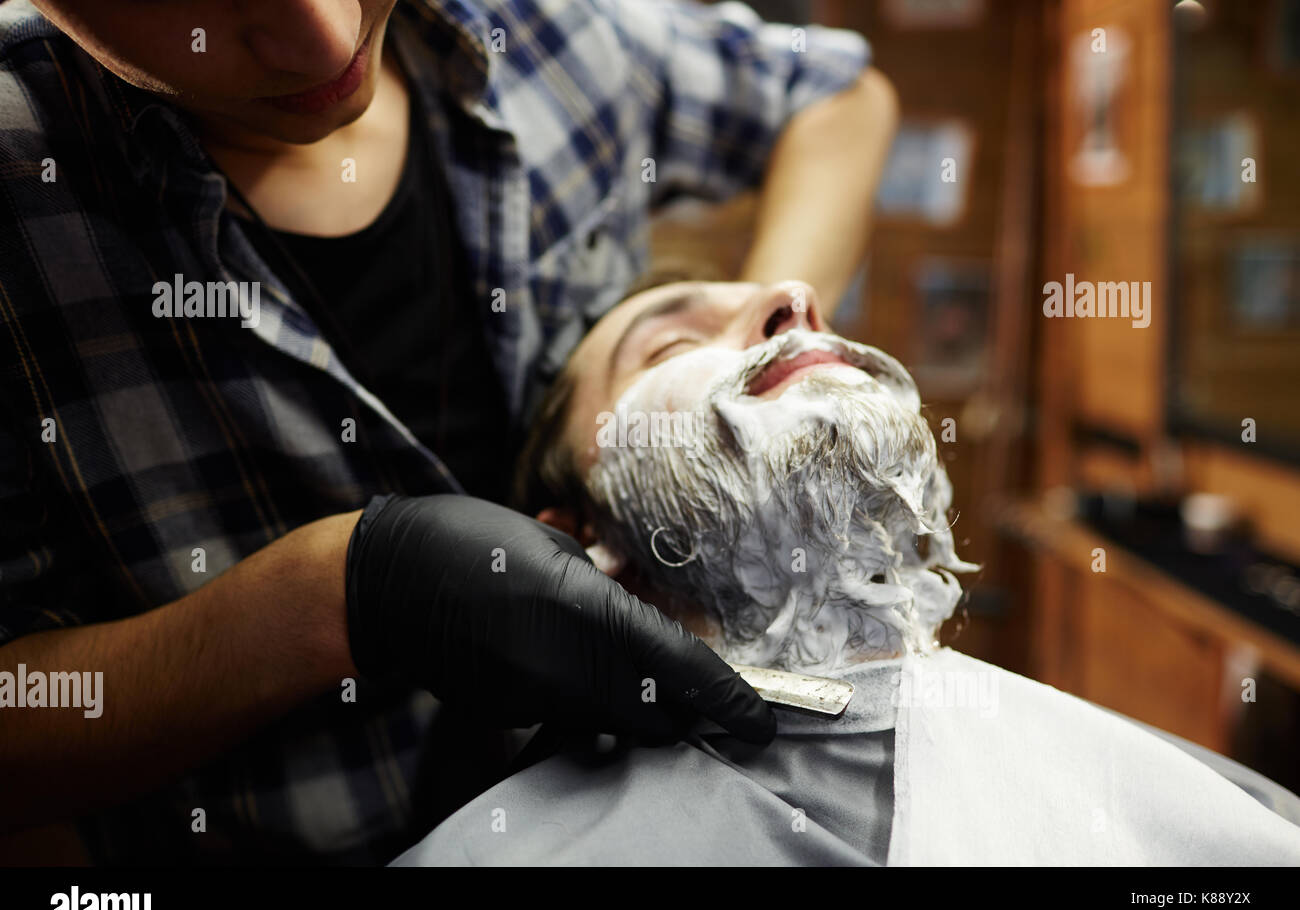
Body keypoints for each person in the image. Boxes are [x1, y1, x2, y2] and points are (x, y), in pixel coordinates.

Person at [0, 0, 899, 864]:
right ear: (583, 542)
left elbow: (841, 95)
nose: (325, 37)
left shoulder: (543, 28)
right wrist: (342, 598)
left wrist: (759, 362)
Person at [392, 276, 1300, 865]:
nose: (796, 297)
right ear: (587, 545)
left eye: (807, 314)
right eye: (670, 346)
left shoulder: (1199, 799)